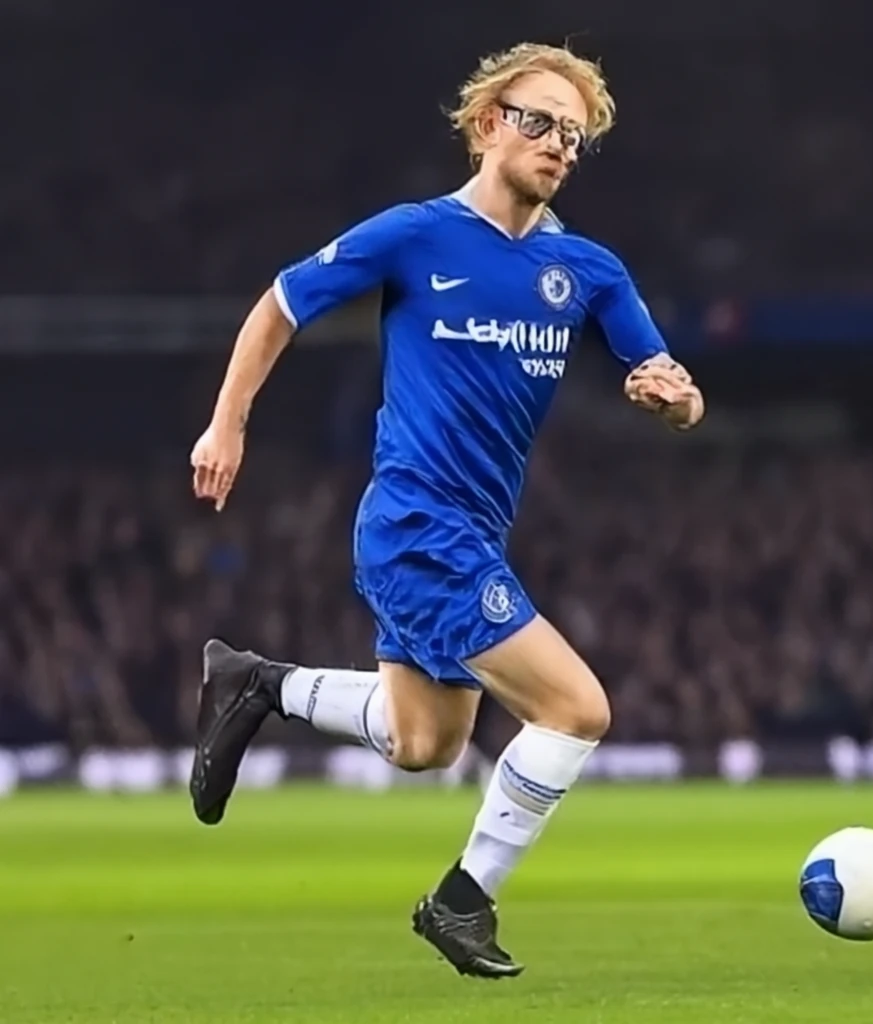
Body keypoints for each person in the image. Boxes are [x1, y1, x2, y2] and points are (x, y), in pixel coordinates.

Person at [188, 42, 705, 979]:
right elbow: (278, 306)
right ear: (487, 125)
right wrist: (226, 426)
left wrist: (673, 399)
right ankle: (462, 903)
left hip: (473, 531)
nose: (558, 145)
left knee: (425, 743)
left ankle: (260, 684)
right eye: (540, 121)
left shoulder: (588, 270)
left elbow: (671, 386)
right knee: (578, 708)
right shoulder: (415, 235)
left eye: (575, 137)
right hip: (418, 528)